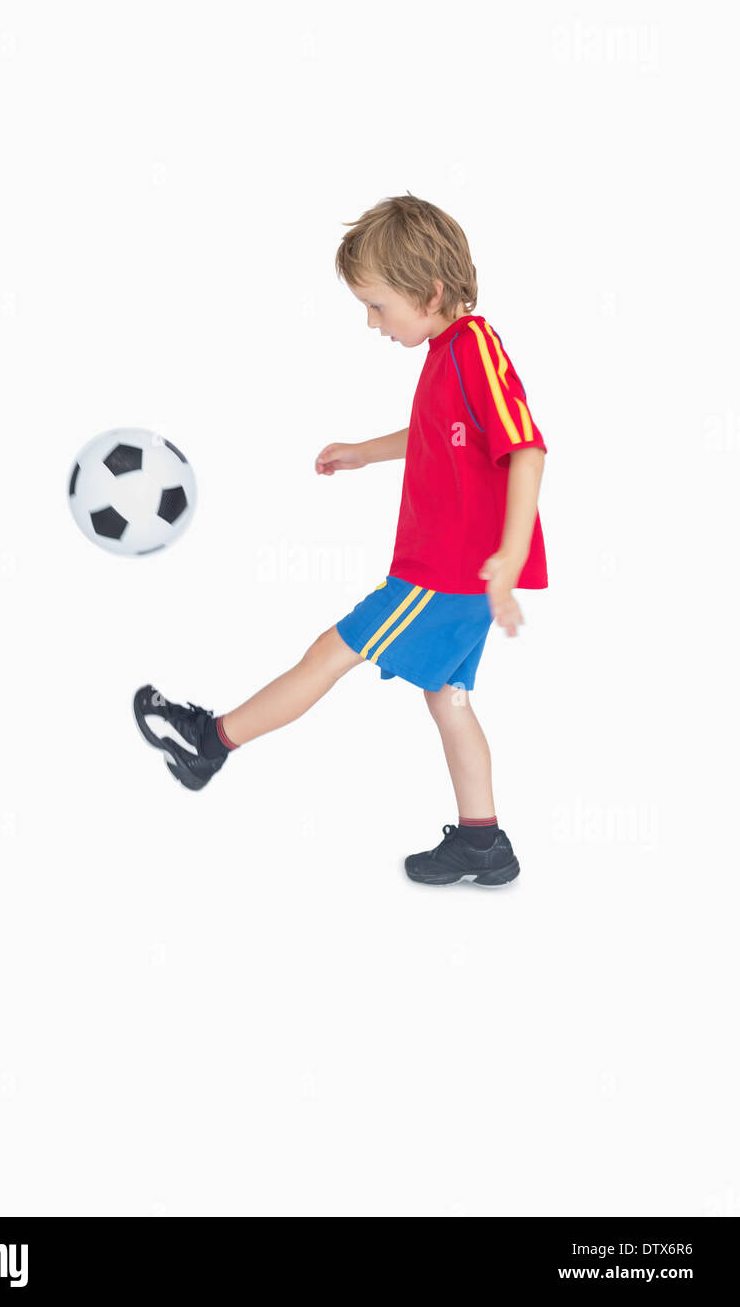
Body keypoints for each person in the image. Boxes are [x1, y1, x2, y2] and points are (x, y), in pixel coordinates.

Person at [133, 192, 548, 887]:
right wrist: (365, 450)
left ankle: (214, 740)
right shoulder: (449, 353)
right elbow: (442, 437)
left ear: (432, 290)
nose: (371, 321)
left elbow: (526, 448)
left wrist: (505, 558)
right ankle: (484, 842)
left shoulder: (474, 347)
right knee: (448, 699)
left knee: (331, 653)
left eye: (379, 305)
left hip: (445, 575)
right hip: (449, 574)